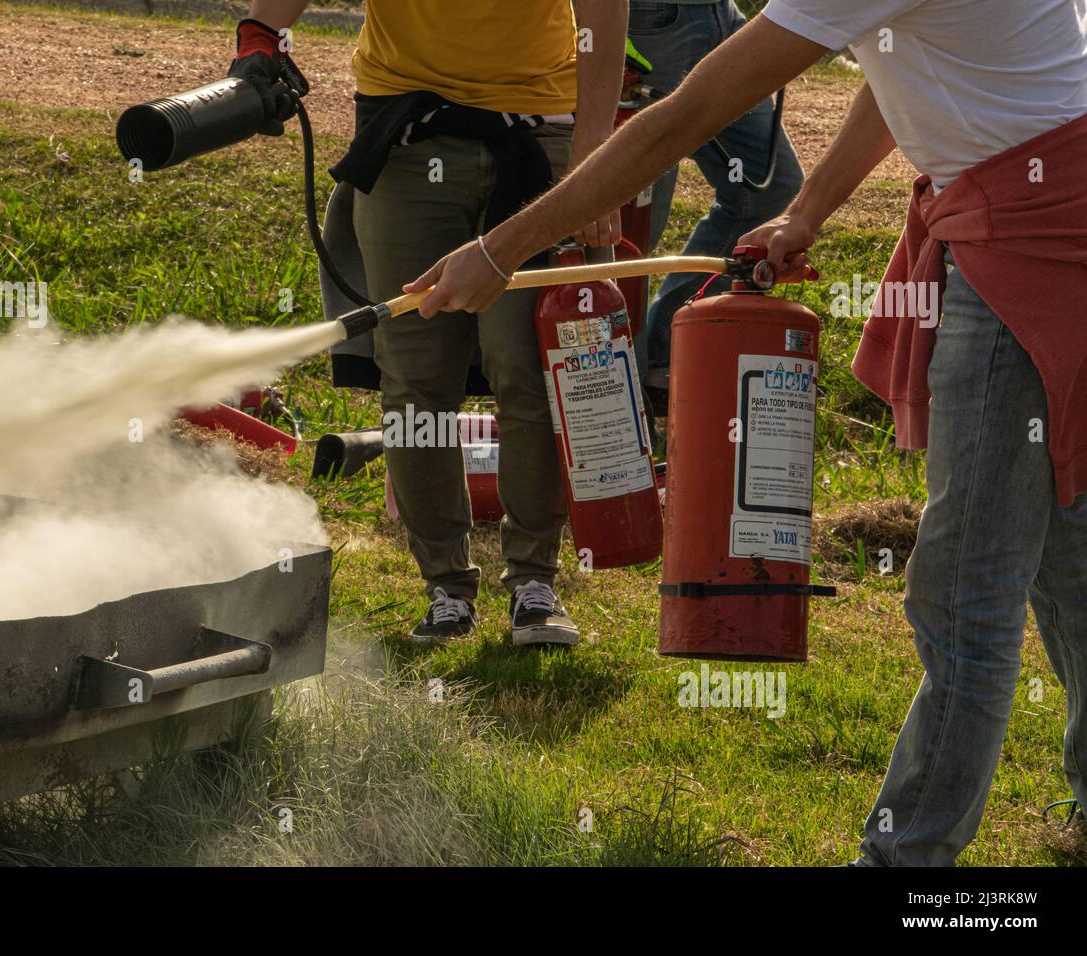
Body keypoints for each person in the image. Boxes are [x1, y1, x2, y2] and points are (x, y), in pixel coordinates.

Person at [407, 1, 1087, 865]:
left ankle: (906, 865)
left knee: (965, 588)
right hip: (1050, 213)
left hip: (1034, 250)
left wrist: (502, 251)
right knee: (1068, 549)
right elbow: (901, 69)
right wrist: (806, 211)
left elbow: (688, 115)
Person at [232, 1, 628, 645]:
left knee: (533, 371)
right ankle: (446, 588)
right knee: (416, 380)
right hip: (406, 142)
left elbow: (606, 16)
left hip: (541, 140)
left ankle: (535, 582)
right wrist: (260, 36)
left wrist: (592, 164)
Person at [625, 1, 803, 411]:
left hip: (718, 15)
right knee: (631, 229)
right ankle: (619, 419)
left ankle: (659, 362)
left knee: (769, 189)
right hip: (648, 23)